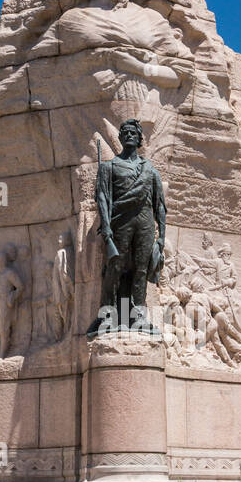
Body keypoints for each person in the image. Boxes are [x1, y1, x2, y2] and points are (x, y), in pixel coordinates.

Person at [87, 119, 167, 336]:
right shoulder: (109, 166)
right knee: (115, 268)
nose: (130, 135)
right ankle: (107, 316)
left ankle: (138, 316)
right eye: (126, 132)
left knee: (141, 270)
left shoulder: (150, 170)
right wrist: (106, 226)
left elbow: (160, 205)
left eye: (133, 132)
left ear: (140, 138)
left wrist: (162, 237)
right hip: (120, 221)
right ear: (121, 138)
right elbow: (102, 198)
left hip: (145, 221)